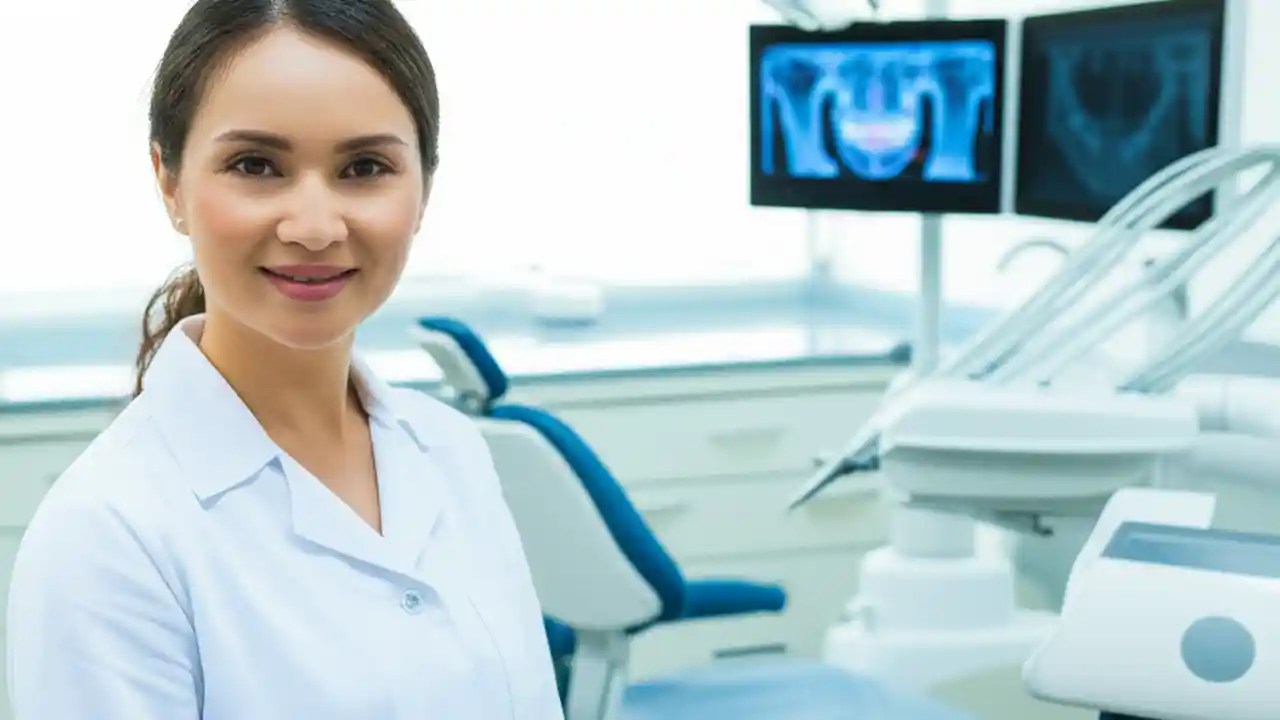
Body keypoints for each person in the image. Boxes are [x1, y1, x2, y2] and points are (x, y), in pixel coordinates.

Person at [4, 1, 564, 717]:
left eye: (365, 167)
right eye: (255, 165)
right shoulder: (107, 535)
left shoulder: (453, 451)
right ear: (169, 181)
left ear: (424, 186)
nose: (314, 227)